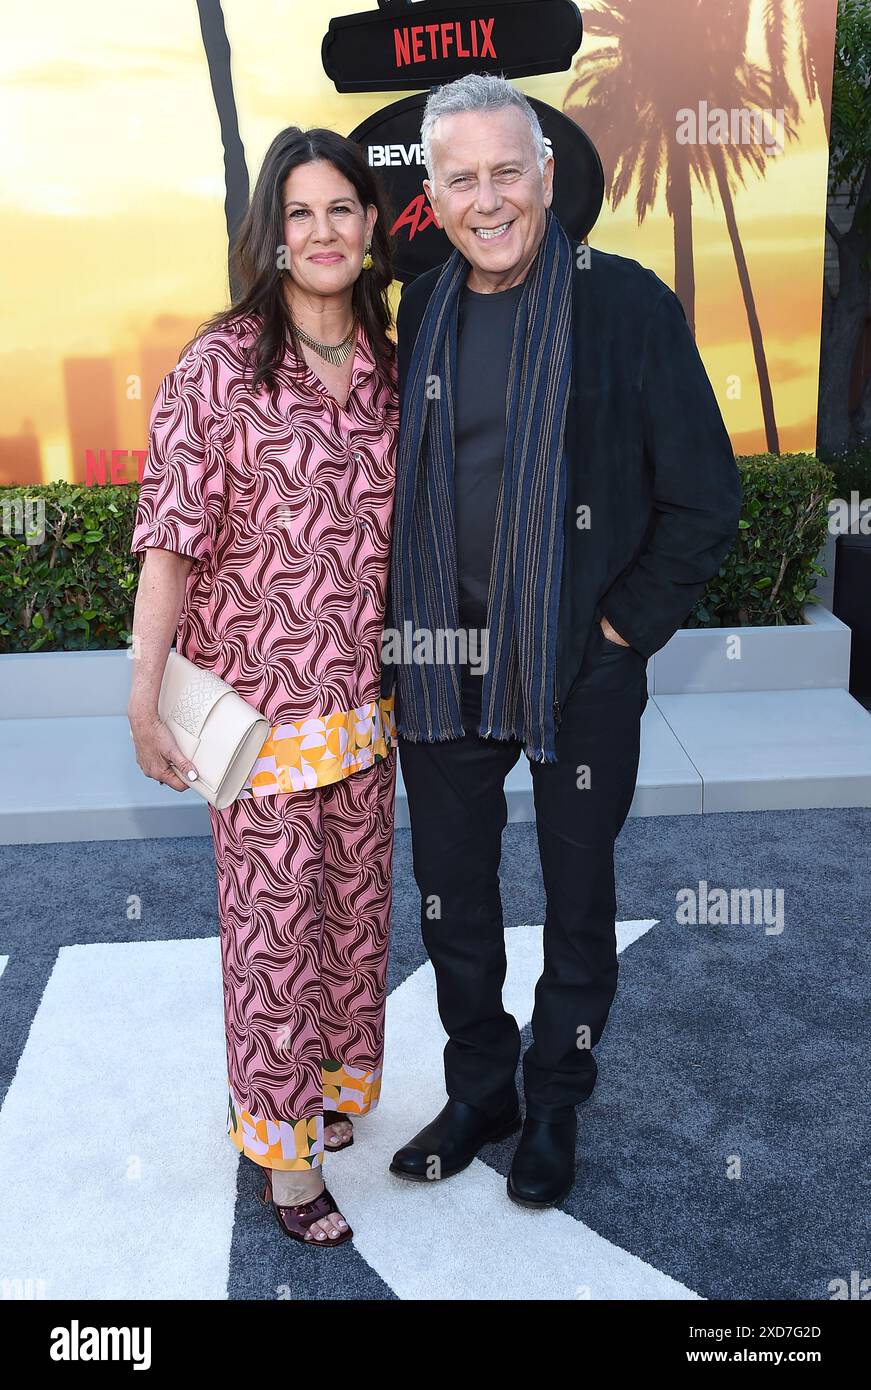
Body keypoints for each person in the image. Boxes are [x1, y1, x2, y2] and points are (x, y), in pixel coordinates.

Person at [383, 73, 743, 1207]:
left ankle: (554, 1101)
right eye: (460, 179)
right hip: (442, 657)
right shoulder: (423, 305)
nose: (486, 198)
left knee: (576, 894)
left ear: (545, 174)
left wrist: (617, 627)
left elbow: (704, 498)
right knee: (451, 891)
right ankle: (480, 1084)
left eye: (506, 172)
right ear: (430, 197)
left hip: (578, 664)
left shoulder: (624, 303)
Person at [128, 126, 399, 1246]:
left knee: (351, 929)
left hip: (367, 716)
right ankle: (284, 1166)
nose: (323, 231)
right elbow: (172, 541)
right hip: (257, 724)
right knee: (272, 942)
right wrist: (142, 694)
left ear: (373, 228)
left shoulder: (393, 362)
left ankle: (323, 1092)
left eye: (341, 208)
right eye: (300, 213)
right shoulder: (224, 365)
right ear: (271, 236)